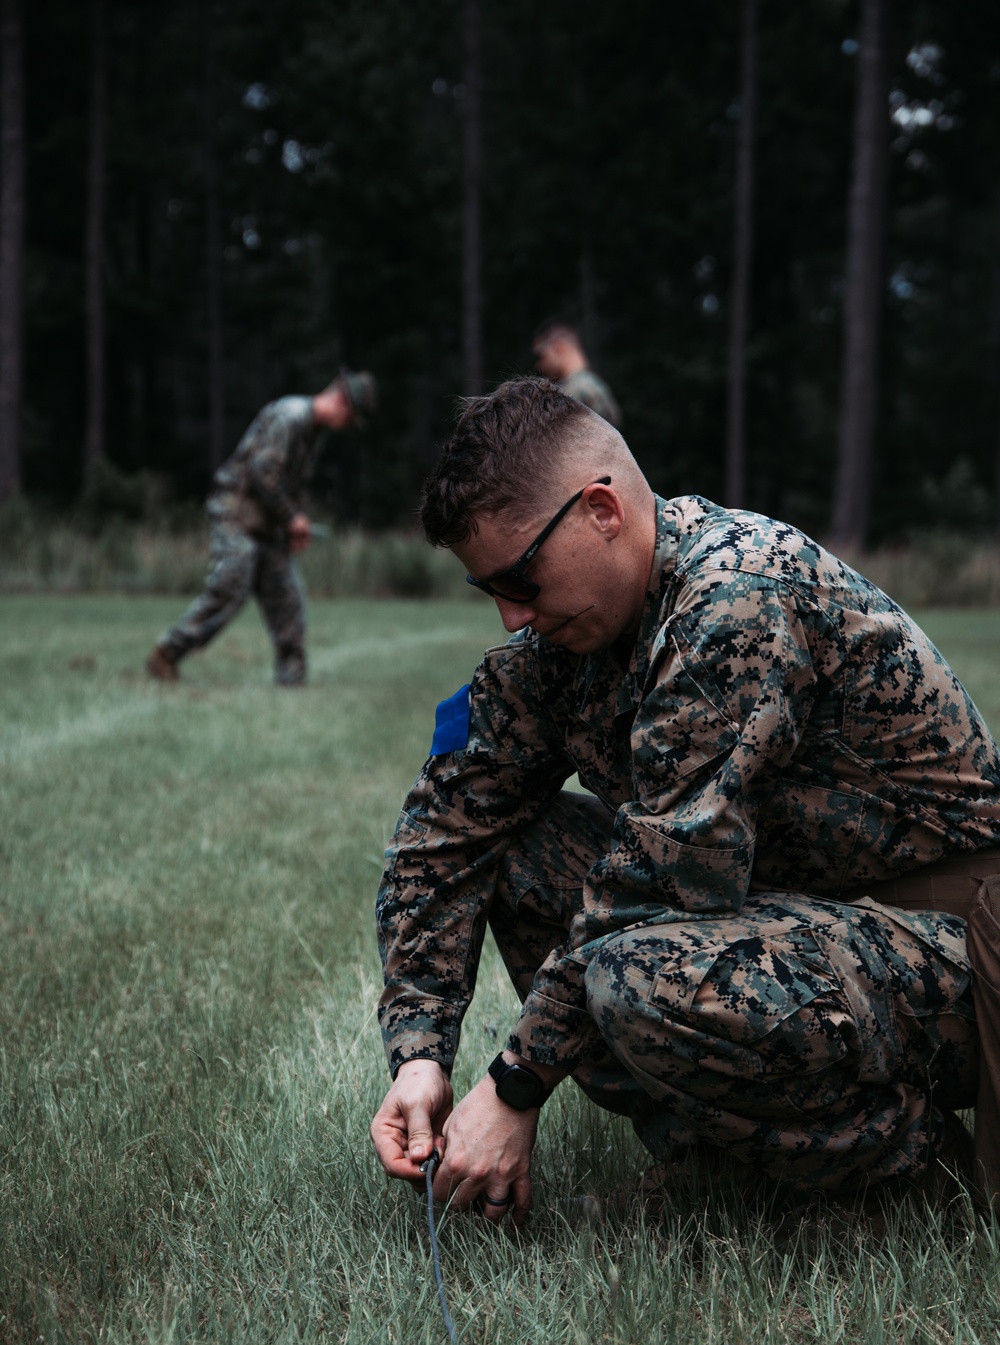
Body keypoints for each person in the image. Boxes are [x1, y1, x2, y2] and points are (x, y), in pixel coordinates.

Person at [370, 375, 1000, 1228]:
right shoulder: (562, 648)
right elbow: (442, 838)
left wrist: (514, 1085)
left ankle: (919, 1186)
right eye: (492, 591)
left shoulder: (738, 596)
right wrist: (419, 1054)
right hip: (811, 927)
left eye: (522, 577)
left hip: (957, 945)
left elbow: (660, 884)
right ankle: (727, 1170)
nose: (514, 616)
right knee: (522, 853)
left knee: (639, 972)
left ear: (602, 510)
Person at [146, 371, 376, 686]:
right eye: (351, 417)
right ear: (342, 401)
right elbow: (262, 471)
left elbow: (287, 482)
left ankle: (291, 682)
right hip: (237, 516)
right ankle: (166, 654)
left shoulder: (311, 431)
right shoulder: (290, 417)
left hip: (268, 526)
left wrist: (293, 523)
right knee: (230, 586)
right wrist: (291, 516)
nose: (347, 425)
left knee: (287, 600)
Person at [532, 318, 622, 428]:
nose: (539, 364)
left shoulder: (576, 390)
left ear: (558, 347)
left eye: (541, 356)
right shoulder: (592, 385)